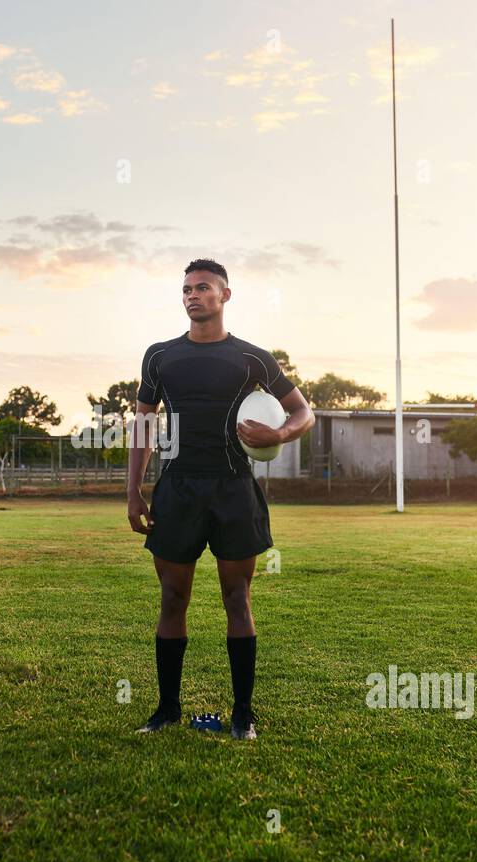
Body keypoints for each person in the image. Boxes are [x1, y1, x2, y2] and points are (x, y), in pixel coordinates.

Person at [126, 258, 315, 739]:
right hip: (178, 488)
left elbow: (303, 412)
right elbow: (144, 425)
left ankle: (243, 714)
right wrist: (133, 490)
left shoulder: (252, 358)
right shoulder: (159, 356)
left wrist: (280, 432)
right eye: (187, 289)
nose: (193, 295)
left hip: (234, 488)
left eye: (203, 287)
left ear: (225, 296)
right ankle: (167, 709)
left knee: (238, 598)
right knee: (172, 598)